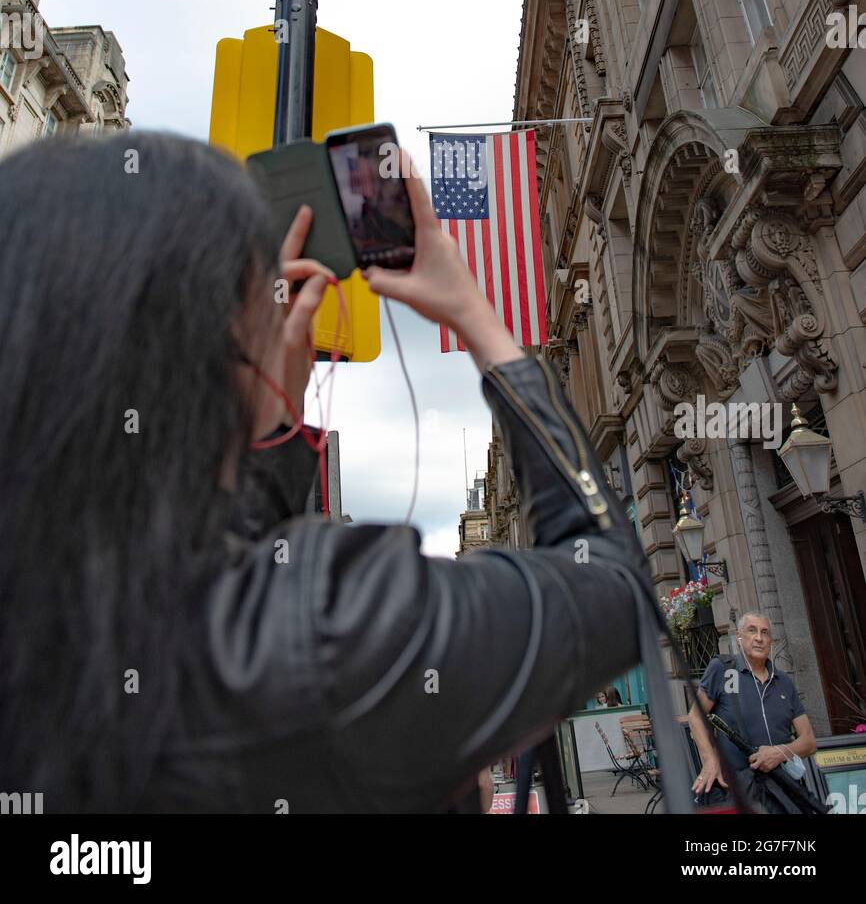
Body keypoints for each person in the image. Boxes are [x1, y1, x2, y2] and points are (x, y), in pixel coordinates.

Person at [0, 133, 670, 814]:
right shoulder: (319, 629)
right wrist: (476, 317)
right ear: (212, 356)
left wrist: (266, 414)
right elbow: (614, 584)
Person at [688, 611, 818, 812]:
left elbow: (808, 741)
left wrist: (779, 753)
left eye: (765, 632)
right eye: (752, 630)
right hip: (736, 789)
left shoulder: (783, 682)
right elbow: (695, 717)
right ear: (739, 637)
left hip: (782, 790)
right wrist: (709, 760)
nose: (759, 638)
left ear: (771, 641)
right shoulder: (723, 670)